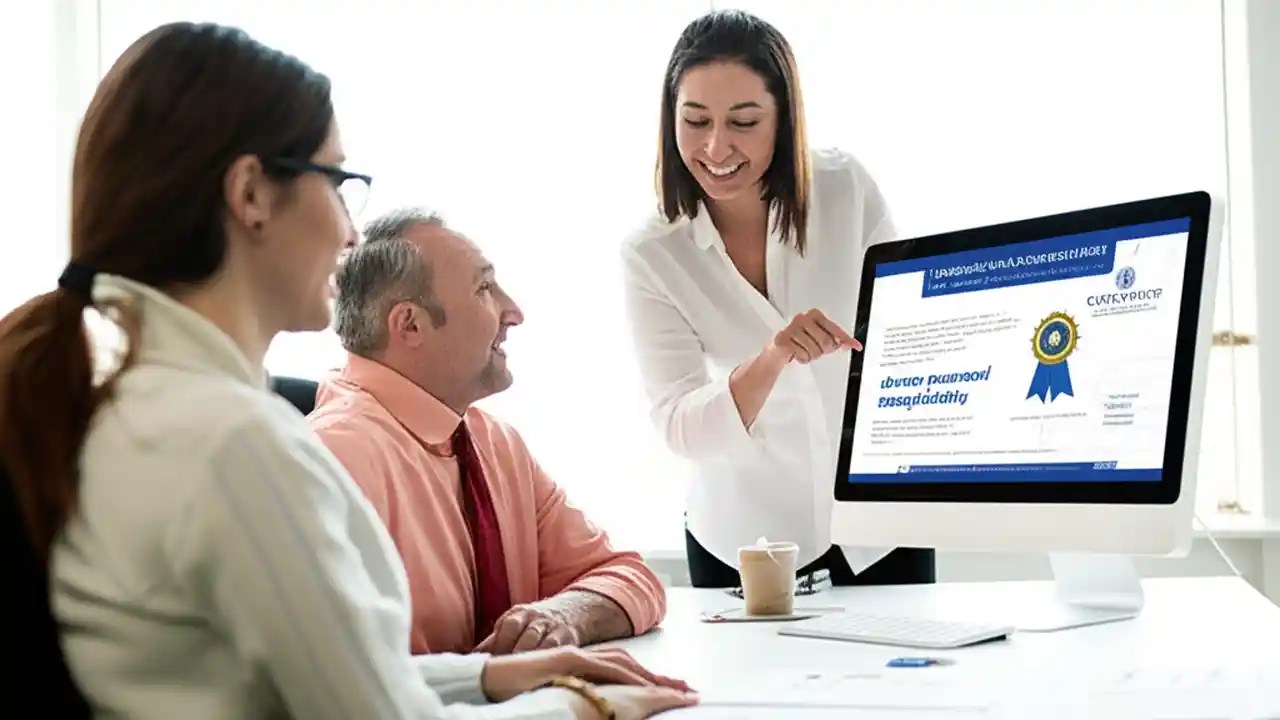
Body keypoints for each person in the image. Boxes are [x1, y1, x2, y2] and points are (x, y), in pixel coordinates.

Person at [0, 22, 695, 719]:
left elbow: (329, 680)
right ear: (250, 194)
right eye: (337, 182)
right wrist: (586, 707)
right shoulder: (234, 442)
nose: (351, 232)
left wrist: (492, 678)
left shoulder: (146, 408)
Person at [621, 9, 937, 589]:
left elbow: (912, 335)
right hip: (744, 541)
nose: (716, 147)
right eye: (695, 121)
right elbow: (679, 424)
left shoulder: (845, 189)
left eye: (743, 121)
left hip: (880, 525)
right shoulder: (653, 252)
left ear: (784, 121)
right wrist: (771, 359)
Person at [309, 208, 667, 657]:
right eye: (484, 288)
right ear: (410, 325)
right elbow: (340, 674)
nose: (513, 311)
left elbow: (629, 576)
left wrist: (563, 615)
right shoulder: (333, 458)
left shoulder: (495, 443)